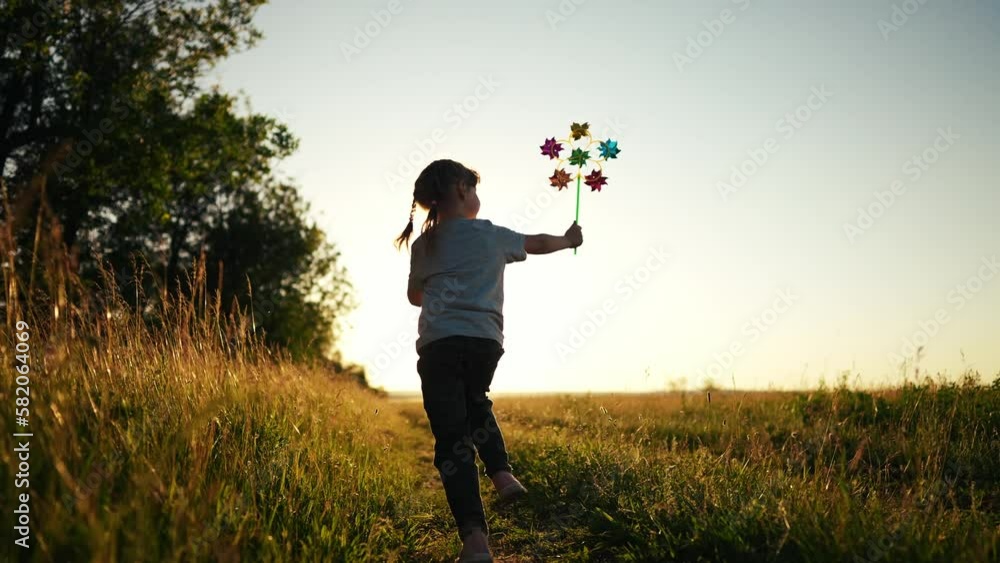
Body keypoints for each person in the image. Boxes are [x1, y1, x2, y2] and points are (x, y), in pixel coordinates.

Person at [395, 159, 583, 562]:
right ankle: (501, 473)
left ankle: (475, 540)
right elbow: (537, 242)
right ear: (462, 190)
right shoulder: (491, 235)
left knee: (452, 439)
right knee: (477, 401)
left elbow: (414, 297)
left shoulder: (424, 245)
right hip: (484, 342)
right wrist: (568, 239)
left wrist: (443, 287)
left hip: (439, 346)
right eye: (474, 188)